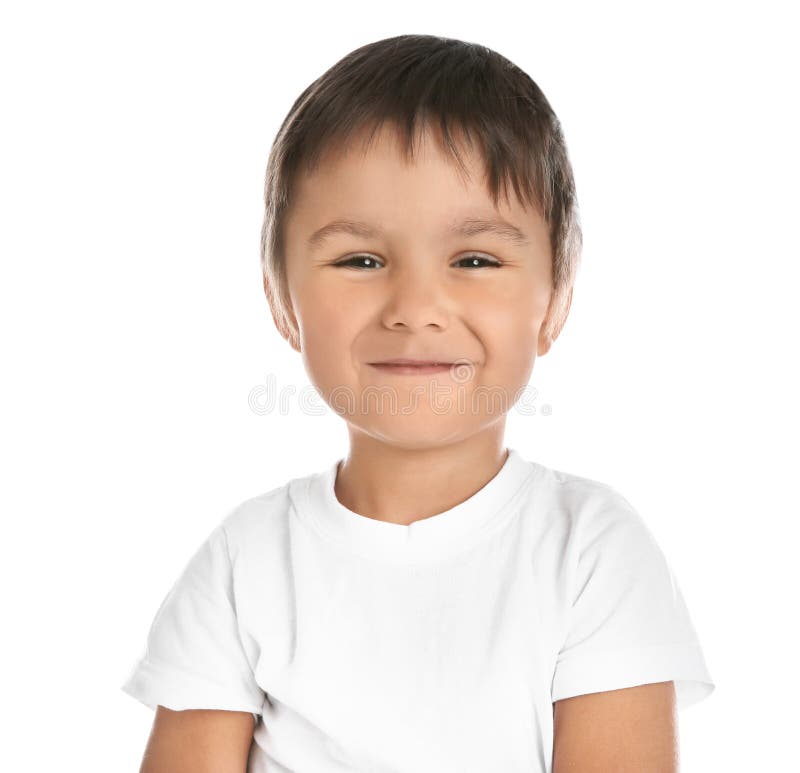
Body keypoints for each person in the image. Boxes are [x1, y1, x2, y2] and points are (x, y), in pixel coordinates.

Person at [121, 33, 715, 772]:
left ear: (557, 297)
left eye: (475, 259)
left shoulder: (591, 551)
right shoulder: (244, 564)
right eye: (361, 259)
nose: (414, 308)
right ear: (281, 298)